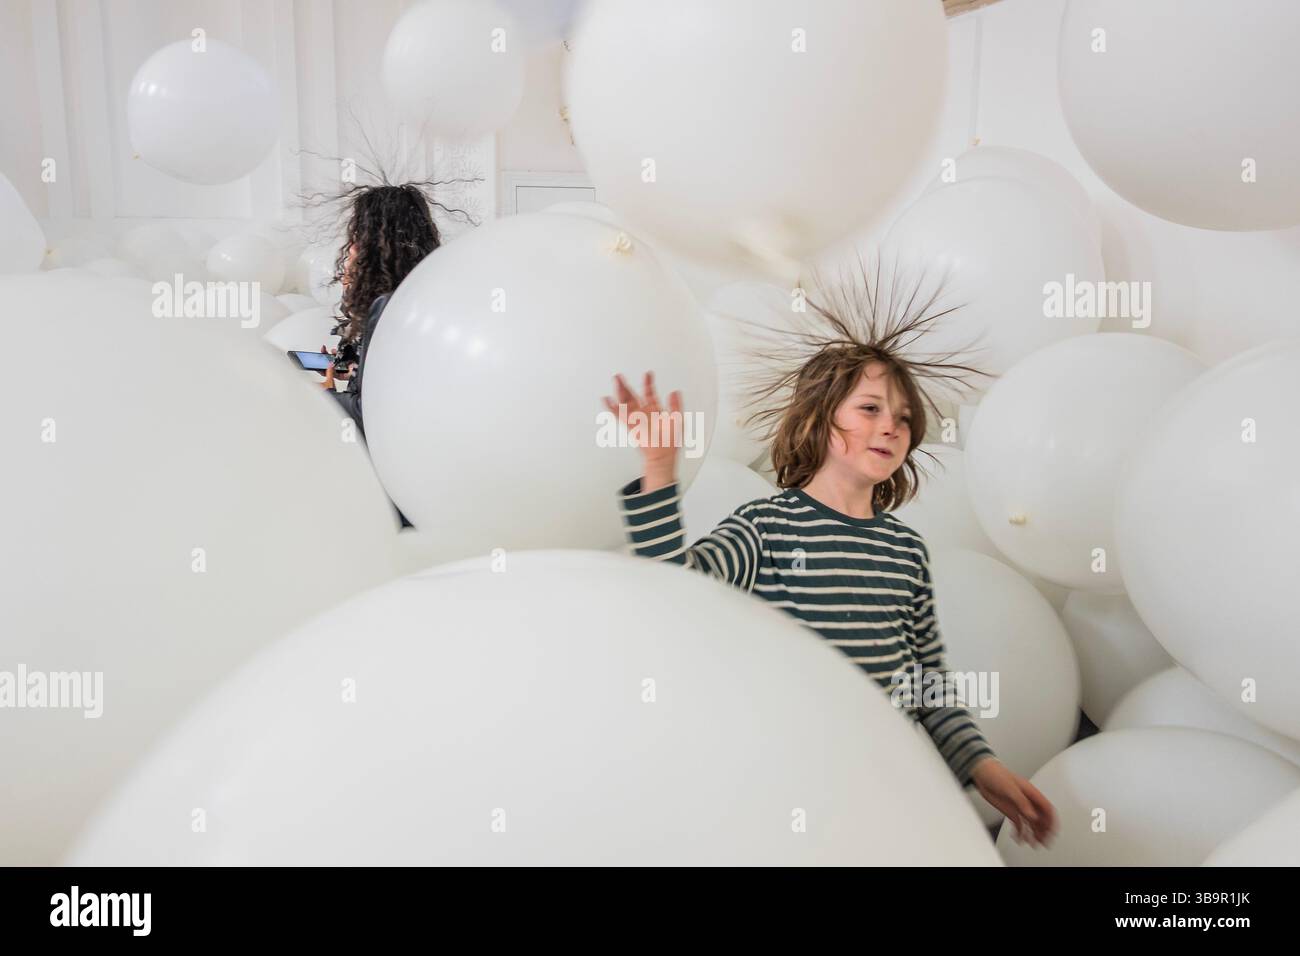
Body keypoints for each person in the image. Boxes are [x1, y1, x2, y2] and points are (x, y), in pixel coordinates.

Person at [603, 268, 1058, 848]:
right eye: (870, 408)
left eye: (902, 418)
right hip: (781, 791)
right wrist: (661, 473)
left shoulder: (905, 552)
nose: (890, 426)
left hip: (876, 789)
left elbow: (927, 687)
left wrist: (985, 769)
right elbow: (675, 591)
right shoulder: (764, 527)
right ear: (821, 420)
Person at [318, 183, 442, 440]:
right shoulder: (425, 299)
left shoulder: (388, 307)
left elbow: (372, 414)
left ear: (371, 246)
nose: (349, 248)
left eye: (356, 236)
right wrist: (356, 371)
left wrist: (326, 396)